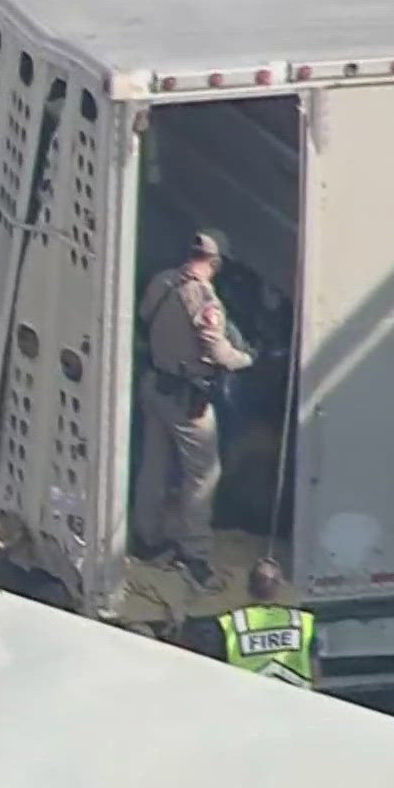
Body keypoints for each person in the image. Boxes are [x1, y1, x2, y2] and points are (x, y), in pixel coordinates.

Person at [131, 230, 253, 589]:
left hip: (155, 384)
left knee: (154, 465)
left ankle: (147, 538)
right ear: (215, 262)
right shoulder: (204, 299)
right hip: (188, 400)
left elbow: (143, 315)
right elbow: (217, 351)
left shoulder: (162, 281)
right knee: (202, 476)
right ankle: (195, 554)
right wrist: (245, 358)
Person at [182, 558, 321, 689]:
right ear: (280, 586)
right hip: (296, 698)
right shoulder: (302, 621)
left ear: (249, 587)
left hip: (248, 696)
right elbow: (314, 664)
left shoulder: (230, 622)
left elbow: (212, 667)